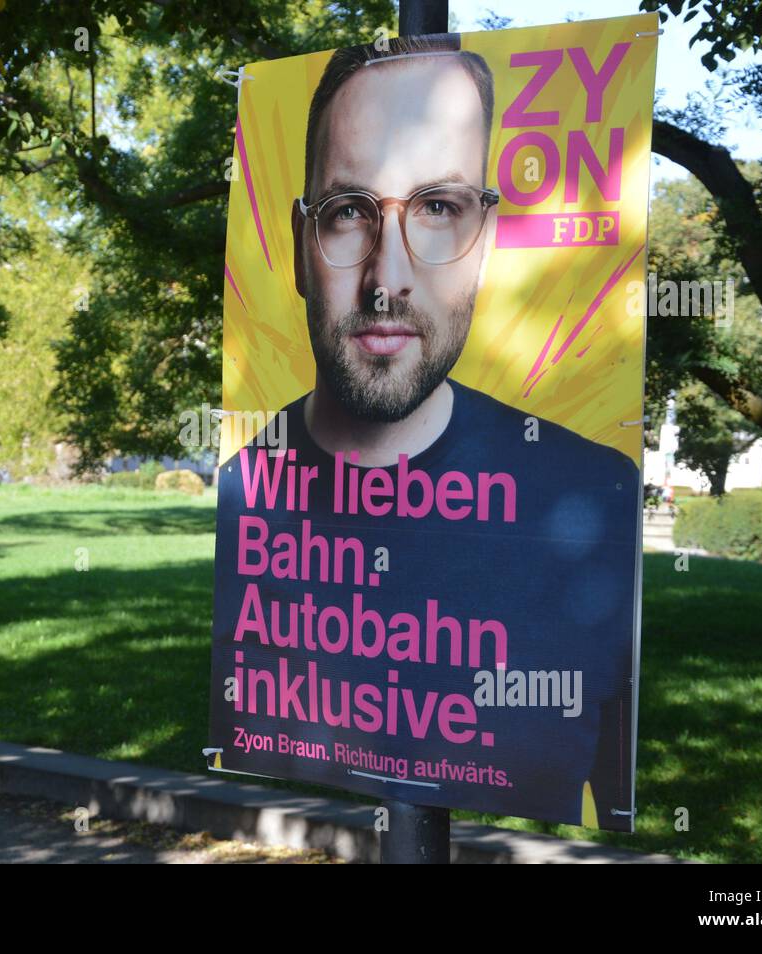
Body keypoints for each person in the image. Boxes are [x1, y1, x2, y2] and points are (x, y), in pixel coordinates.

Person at [212, 34, 639, 830]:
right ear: (303, 246)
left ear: (486, 239)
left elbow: (613, 806)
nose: (389, 277)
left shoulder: (599, 496)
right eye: (349, 214)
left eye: (439, 208)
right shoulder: (247, 487)